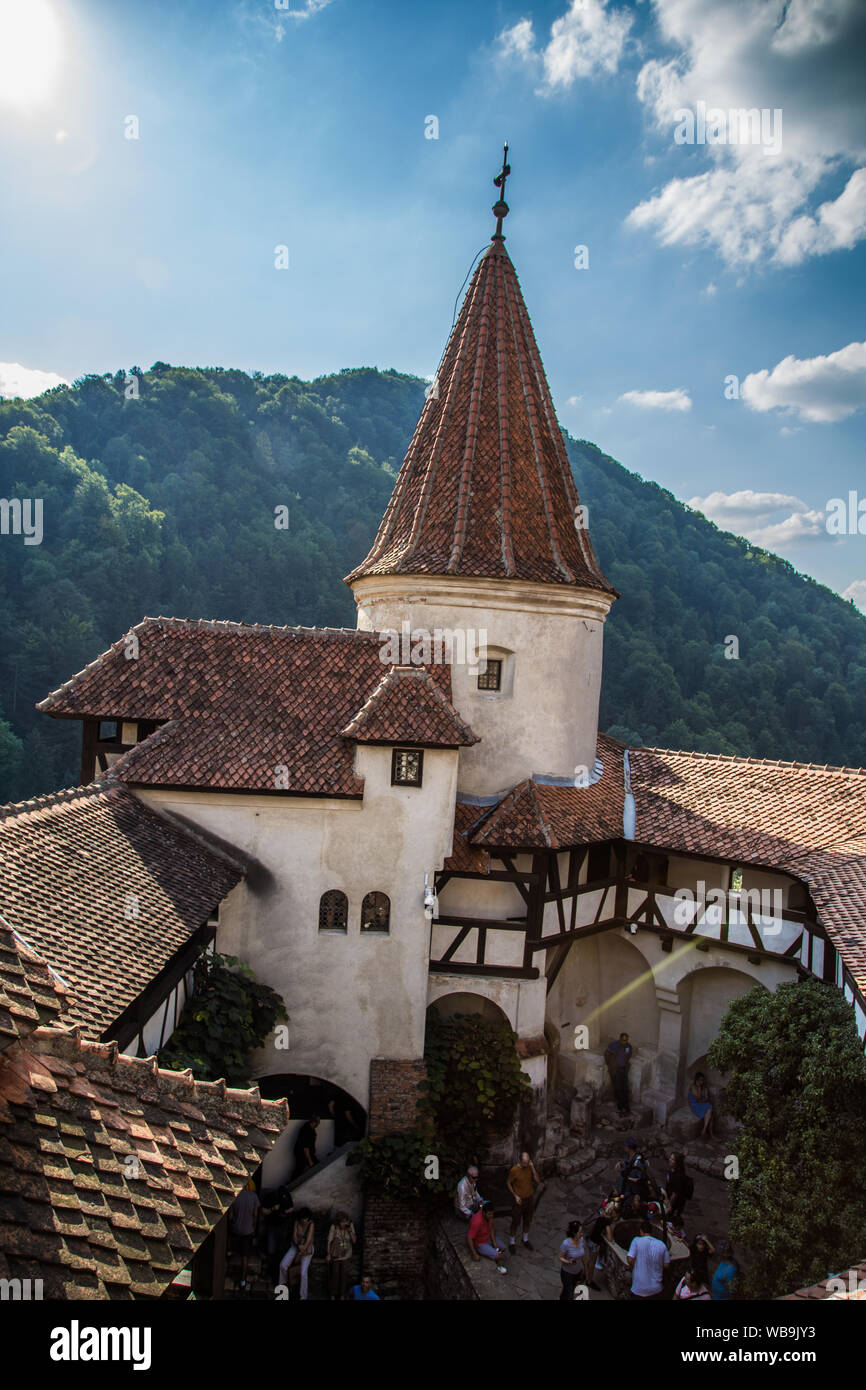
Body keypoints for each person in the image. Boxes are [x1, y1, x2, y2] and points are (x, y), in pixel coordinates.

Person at [627, 1218, 670, 1300]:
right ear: (652, 1232)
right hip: (656, 1288)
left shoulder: (636, 1241)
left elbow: (630, 1259)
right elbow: (666, 1265)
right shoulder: (661, 1245)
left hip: (639, 1288)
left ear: (641, 1231)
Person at [229, 1179, 260, 1291]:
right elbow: (255, 1215)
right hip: (248, 1231)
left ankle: (228, 1253)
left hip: (236, 1230)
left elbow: (230, 1216)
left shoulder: (235, 1196)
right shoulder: (254, 1197)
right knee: (245, 1257)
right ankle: (243, 1280)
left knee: (233, 1250)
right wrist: (254, 1228)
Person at [506, 1151, 540, 1253]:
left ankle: (525, 1239)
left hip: (529, 1198)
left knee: (527, 1220)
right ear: (520, 1160)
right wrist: (515, 1195)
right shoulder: (514, 1170)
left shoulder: (530, 1167)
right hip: (519, 1200)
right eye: (525, 1162)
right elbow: (508, 1183)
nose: (526, 1164)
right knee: (515, 1221)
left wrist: (533, 1168)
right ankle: (512, 1242)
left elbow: (537, 1181)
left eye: (528, 1162)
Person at [279, 1206, 315, 1300]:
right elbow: (294, 1237)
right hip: (296, 1246)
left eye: (306, 1218)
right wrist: (298, 1247)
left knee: (303, 1273)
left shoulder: (311, 1224)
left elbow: (309, 1240)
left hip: (307, 1249)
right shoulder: (296, 1223)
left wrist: (302, 1250)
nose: (304, 1220)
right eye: (303, 1218)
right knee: (283, 1265)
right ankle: (282, 1288)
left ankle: (303, 1296)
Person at [260, 1182, 294, 1282]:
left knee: (280, 1249)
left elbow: (291, 1208)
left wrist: (285, 1212)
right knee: (271, 1249)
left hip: (282, 1226)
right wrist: (272, 1209)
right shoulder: (271, 1197)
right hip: (272, 1226)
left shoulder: (287, 1196)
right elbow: (263, 1211)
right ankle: (270, 1270)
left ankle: (277, 1274)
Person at [467, 1200, 507, 1274]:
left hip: (487, 1238)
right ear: (483, 1212)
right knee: (498, 1255)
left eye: (492, 1214)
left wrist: (494, 1242)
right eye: (489, 1214)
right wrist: (474, 1254)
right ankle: (497, 1265)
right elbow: (470, 1238)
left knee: (503, 1247)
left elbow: (491, 1228)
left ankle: (494, 1254)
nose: (491, 1216)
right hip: (480, 1243)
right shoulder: (477, 1222)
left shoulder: (489, 1217)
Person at [326, 1210, 356, 1300]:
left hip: (346, 1254)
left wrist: (350, 1231)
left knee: (344, 1274)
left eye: (345, 1221)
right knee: (335, 1274)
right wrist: (328, 1254)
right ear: (338, 1222)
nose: (344, 1223)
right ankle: (333, 1294)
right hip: (336, 1254)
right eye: (342, 1222)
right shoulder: (334, 1227)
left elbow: (354, 1241)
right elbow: (329, 1241)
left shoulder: (350, 1226)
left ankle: (342, 1295)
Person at [604, 1032, 632, 1114]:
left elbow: (629, 1054)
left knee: (625, 1088)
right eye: (623, 1040)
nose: (624, 1042)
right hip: (615, 1070)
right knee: (618, 1088)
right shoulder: (613, 1045)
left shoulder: (628, 1046)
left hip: (623, 1069)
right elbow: (606, 1055)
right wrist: (611, 1065)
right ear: (620, 1039)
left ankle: (626, 1105)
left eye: (626, 1040)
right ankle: (620, 1105)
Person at [558, 1220, 586, 1301]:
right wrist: (568, 1262)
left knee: (568, 1291)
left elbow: (583, 1256)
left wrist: (584, 1269)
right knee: (570, 1295)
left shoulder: (581, 1241)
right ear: (574, 1233)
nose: (582, 1234)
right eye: (580, 1232)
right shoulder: (566, 1244)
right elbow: (560, 1257)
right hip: (567, 1274)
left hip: (577, 1272)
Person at [662, 1152, 692, 1221]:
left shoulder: (679, 1176)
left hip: (676, 1204)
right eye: (670, 1158)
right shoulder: (671, 1171)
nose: (670, 1160)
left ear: (677, 1163)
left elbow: (675, 1194)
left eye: (673, 1159)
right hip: (668, 1198)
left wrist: (669, 1205)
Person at [688, 1072, 717, 1140]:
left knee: (711, 1114)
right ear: (696, 1080)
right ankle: (707, 1132)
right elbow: (697, 1097)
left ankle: (706, 1131)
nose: (702, 1082)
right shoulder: (693, 1087)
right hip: (695, 1105)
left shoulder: (704, 1087)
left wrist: (702, 1099)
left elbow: (706, 1098)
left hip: (702, 1104)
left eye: (703, 1080)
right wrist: (699, 1089)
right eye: (700, 1080)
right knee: (710, 1108)